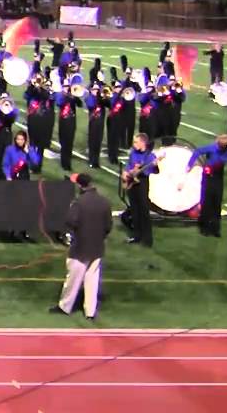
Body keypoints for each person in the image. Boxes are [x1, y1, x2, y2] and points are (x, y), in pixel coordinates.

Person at [51, 173, 112, 321]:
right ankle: (90, 312)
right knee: (92, 280)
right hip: (97, 247)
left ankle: (65, 306)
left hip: (80, 247)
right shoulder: (104, 202)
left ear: (80, 185)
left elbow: (70, 221)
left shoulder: (79, 202)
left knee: (73, 279)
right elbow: (108, 226)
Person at [188, 134, 227, 237]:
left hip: (218, 177)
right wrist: (189, 165)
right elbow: (197, 151)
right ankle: (204, 227)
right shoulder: (212, 148)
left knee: (217, 202)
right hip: (208, 177)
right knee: (207, 202)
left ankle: (215, 228)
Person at [123, 133, 159, 247]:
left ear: (143, 143)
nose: (133, 144)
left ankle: (147, 239)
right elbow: (128, 166)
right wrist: (125, 173)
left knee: (144, 211)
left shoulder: (150, 156)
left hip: (142, 183)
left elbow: (152, 171)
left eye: (135, 142)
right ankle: (136, 236)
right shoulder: (133, 153)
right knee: (134, 211)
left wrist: (147, 168)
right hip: (132, 183)